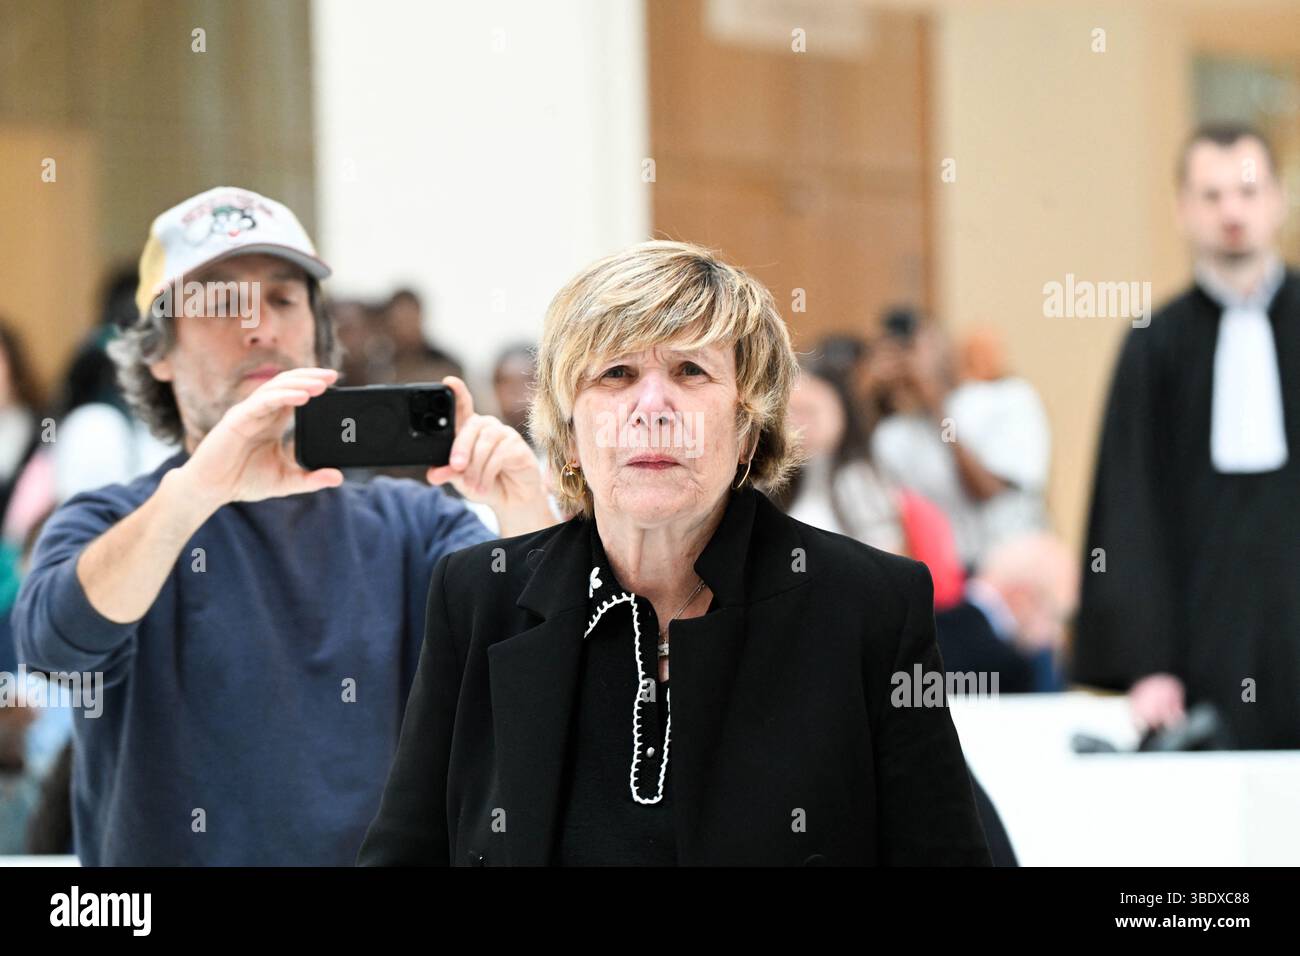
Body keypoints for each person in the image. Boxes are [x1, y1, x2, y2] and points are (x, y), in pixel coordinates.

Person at [358, 240, 991, 866]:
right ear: (569, 432)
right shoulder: (477, 597)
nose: (653, 407)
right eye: (616, 374)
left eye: (691, 371)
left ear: (747, 429)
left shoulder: (870, 606)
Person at [11, 186, 557, 865]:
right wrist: (199, 490)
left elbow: (535, 677)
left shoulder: (413, 524)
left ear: (318, 337)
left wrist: (524, 512)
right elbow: (54, 646)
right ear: (157, 351)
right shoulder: (111, 519)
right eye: (218, 302)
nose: (260, 327)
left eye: (284, 298)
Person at [1074, 123, 1300, 749]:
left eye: (1248, 192)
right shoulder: (1155, 343)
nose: (1233, 212)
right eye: (1212, 195)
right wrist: (1148, 662)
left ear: (1278, 200)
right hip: (1202, 644)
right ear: (1182, 209)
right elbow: (1128, 507)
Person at [779, 351, 965, 608]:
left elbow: (888, 573)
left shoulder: (861, 481)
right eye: (792, 412)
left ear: (841, 411)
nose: (799, 425)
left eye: (810, 412)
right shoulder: (773, 481)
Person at [871, 309, 1051, 567]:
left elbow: (989, 491)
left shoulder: (1008, 399)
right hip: (943, 575)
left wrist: (935, 401)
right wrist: (877, 393)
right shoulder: (891, 434)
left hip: (1010, 566)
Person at [936, 533, 1077, 694]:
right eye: (1054, 618)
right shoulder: (1013, 667)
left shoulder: (923, 606)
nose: (1055, 636)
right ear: (1022, 597)